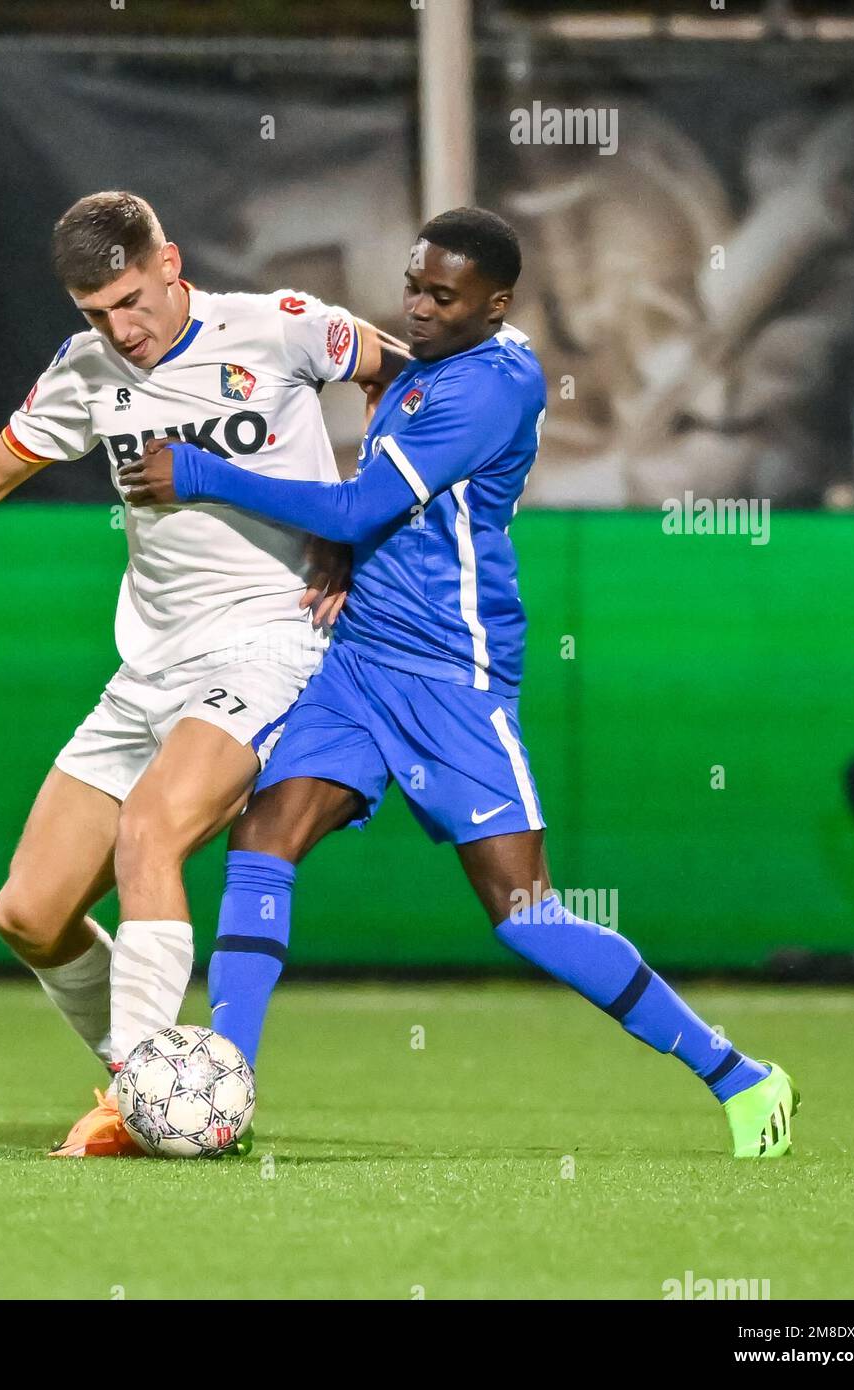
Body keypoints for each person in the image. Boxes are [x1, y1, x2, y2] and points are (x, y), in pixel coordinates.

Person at [120, 206, 800, 1160]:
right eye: (414, 286)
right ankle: (222, 1088)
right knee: (263, 842)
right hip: (360, 661)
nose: (420, 307)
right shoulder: (428, 363)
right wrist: (349, 557)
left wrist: (202, 470)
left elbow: (363, 504)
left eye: (444, 295)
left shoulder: (491, 387)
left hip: (451, 674)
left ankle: (739, 1074)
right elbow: (371, 500)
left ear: (498, 304)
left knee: (525, 916)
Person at [0, 190, 405, 1156]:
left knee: (150, 832)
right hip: (150, 666)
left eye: (130, 300)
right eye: (95, 312)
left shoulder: (281, 327)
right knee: (30, 915)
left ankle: (138, 1094)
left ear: (169, 263)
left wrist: (355, 522)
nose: (119, 328)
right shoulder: (86, 371)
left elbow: (406, 381)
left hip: (268, 640)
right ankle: (168, 1081)